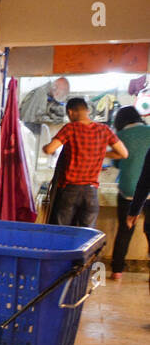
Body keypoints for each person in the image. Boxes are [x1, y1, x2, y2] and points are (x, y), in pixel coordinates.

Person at [41, 97, 127, 228]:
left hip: (70, 190)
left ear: (70, 112)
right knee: (86, 238)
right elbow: (123, 153)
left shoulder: (71, 128)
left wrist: (44, 147)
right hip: (91, 192)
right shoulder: (104, 130)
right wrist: (97, 152)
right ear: (87, 111)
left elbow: (49, 149)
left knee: (60, 232)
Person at [110, 106, 150, 279]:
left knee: (125, 230)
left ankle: (117, 271)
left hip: (128, 190)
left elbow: (118, 163)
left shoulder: (120, 136)